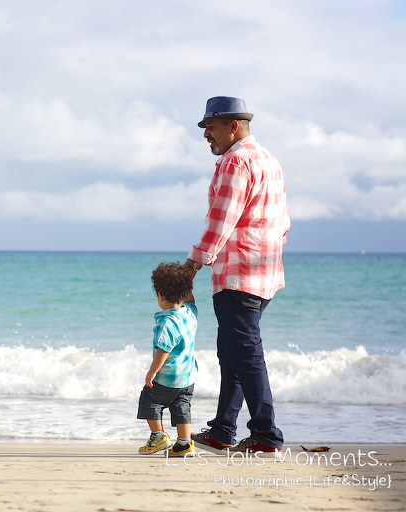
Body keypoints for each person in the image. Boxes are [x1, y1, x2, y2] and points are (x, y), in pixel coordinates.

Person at [185, 96, 290, 456]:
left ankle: (265, 436)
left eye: (210, 127)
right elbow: (284, 223)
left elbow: (220, 221)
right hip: (264, 275)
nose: (206, 136)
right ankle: (222, 431)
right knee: (232, 353)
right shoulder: (269, 160)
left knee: (244, 355)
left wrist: (192, 266)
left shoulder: (236, 161)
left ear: (233, 126)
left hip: (238, 276)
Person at [137, 262, 198, 456]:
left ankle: (158, 436)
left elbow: (162, 350)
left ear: (160, 295)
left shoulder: (166, 322)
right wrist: (190, 279)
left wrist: (152, 372)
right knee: (182, 406)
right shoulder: (190, 314)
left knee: (149, 401)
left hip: (166, 378)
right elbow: (191, 300)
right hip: (187, 377)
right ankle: (184, 443)